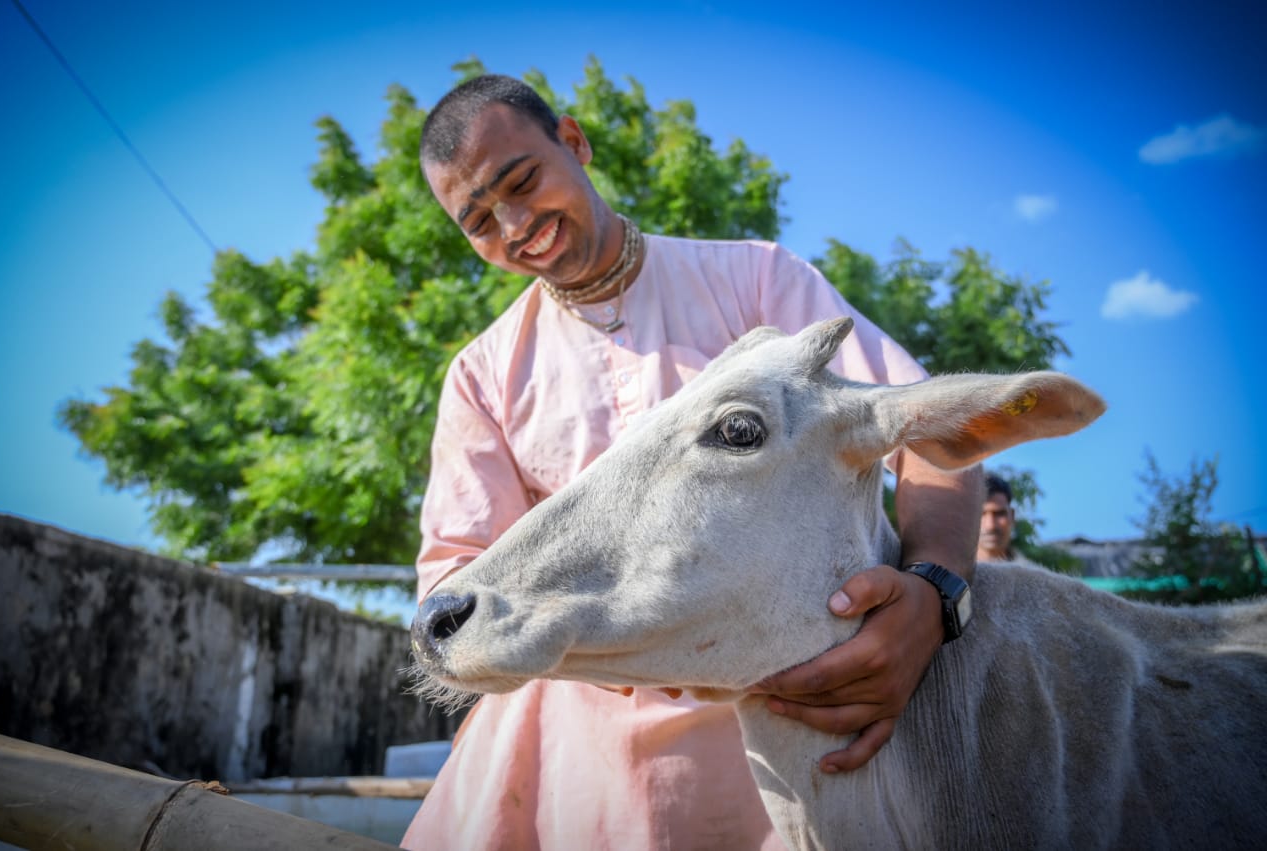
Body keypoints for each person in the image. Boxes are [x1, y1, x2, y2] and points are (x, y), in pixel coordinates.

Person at [404, 74, 981, 849]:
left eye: (522, 180)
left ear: (574, 143)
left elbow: (929, 427)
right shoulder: (483, 374)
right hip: (579, 767)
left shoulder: (757, 284)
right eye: (477, 221)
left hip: (820, 723)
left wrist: (934, 595)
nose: (514, 225)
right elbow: (455, 585)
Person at [976, 472, 1038, 566]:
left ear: (1012, 516)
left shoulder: (1034, 577)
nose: (990, 526)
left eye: (999, 514)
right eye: (981, 514)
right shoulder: (949, 577)